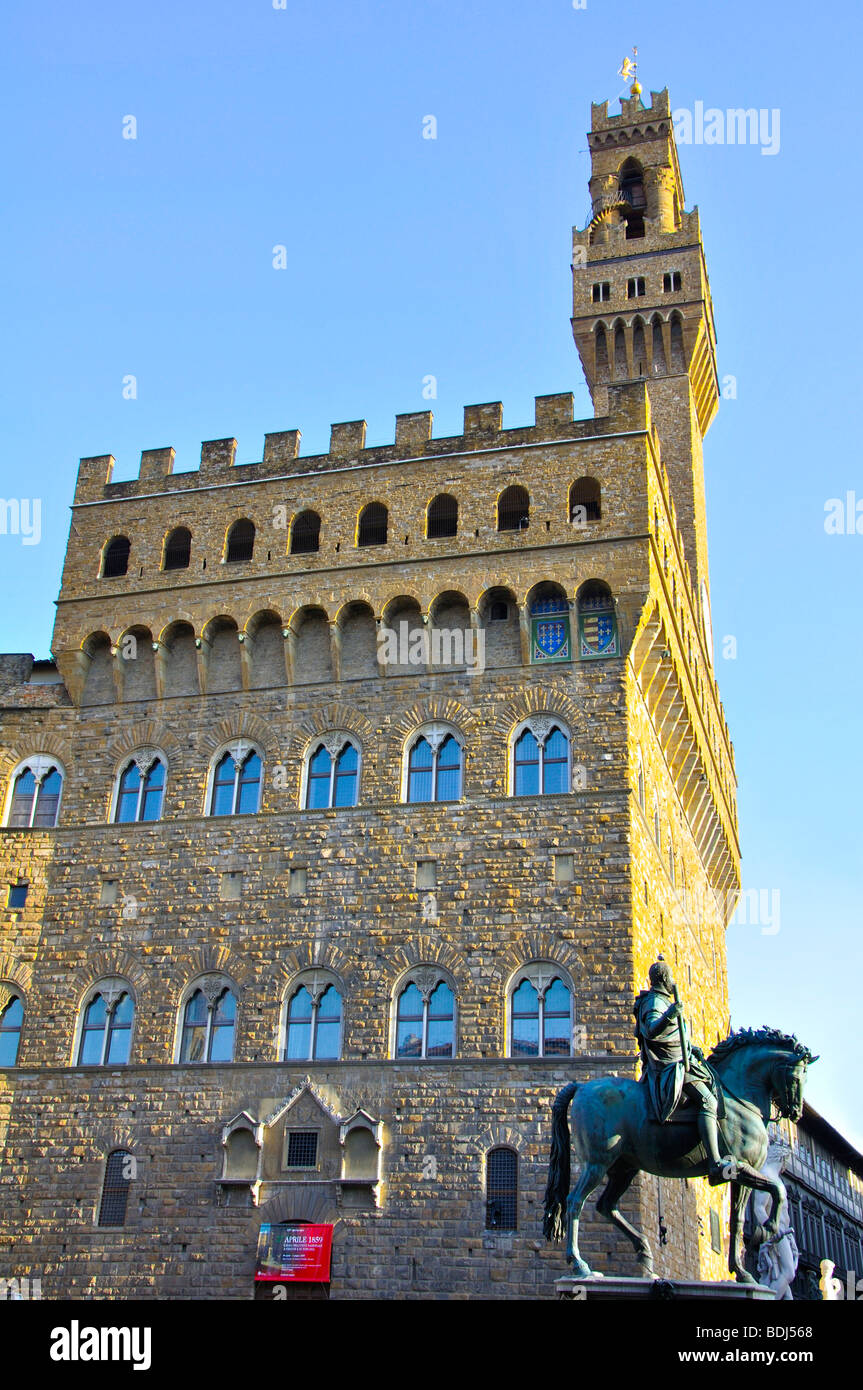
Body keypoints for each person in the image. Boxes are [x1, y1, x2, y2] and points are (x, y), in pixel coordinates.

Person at [634, 959, 736, 1186]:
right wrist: (670, 1014)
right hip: (671, 1066)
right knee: (709, 1102)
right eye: (670, 978)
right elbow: (651, 1030)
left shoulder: (661, 1000)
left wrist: (691, 1048)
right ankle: (716, 1163)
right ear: (663, 979)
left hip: (681, 1059)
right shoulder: (655, 1002)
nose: (673, 982)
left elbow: (675, 1038)